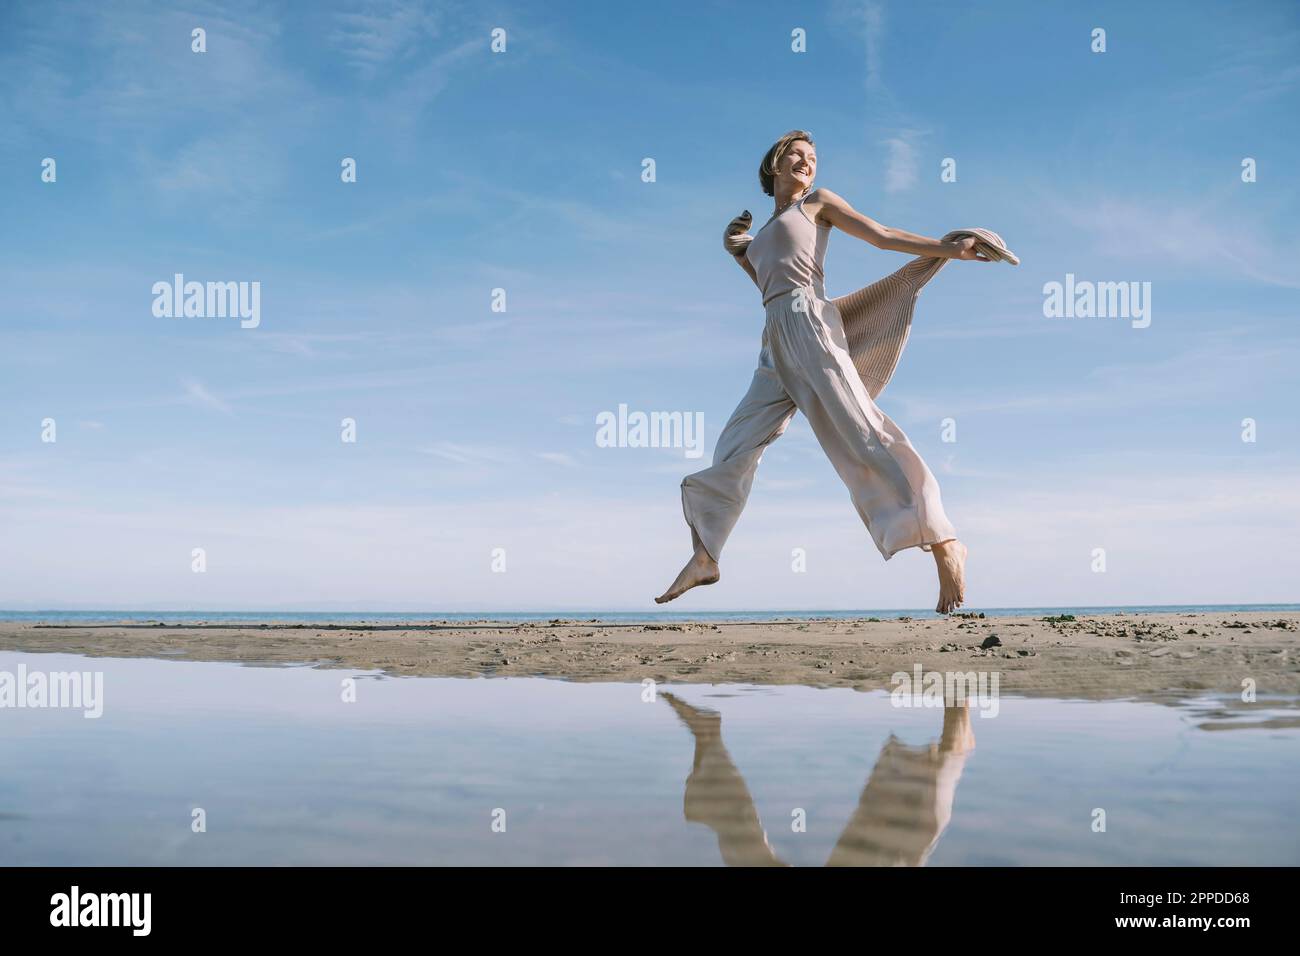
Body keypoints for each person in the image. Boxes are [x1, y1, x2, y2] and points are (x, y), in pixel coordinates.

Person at [656, 130, 992, 613]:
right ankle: (706, 555)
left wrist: (946, 249)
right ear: (774, 163)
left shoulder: (817, 205)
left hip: (811, 326)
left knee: (863, 433)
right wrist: (738, 252)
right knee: (735, 444)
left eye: (813, 158)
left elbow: (880, 237)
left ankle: (944, 543)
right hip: (775, 340)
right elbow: (769, 283)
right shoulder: (766, 229)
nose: (807, 162)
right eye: (796, 154)